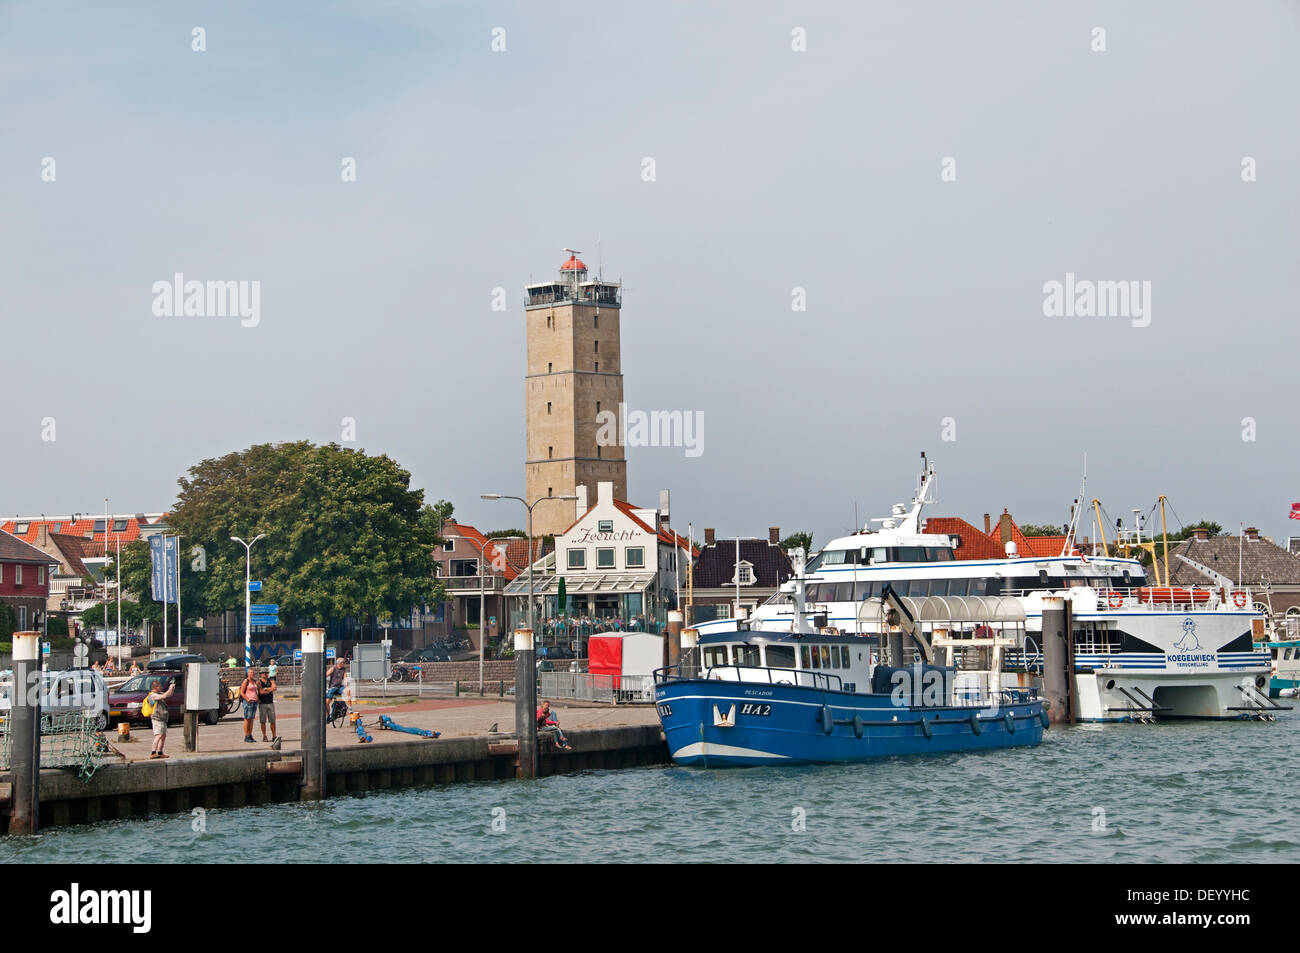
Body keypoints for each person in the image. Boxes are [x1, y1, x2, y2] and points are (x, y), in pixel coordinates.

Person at [146, 677, 177, 759]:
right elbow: (164, 696)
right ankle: (153, 752)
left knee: (163, 735)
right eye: (160, 686)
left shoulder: (158, 693)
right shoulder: (153, 696)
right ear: (156, 687)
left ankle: (160, 752)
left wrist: (172, 689)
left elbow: (168, 694)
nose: (161, 688)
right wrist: (169, 688)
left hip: (162, 718)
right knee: (158, 735)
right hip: (157, 718)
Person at [257, 666, 278, 743]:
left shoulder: (271, 680)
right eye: (263, 673)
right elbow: (261, 692)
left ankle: (274, 735)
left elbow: (275, 688)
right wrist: (269, 690)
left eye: (266, 673)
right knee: (263, 721)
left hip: (270, 702)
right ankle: (264, 736)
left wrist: (266, 689)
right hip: (262, 703)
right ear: (261, 674)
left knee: (272, 720)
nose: (265, 674)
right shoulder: (259, 682)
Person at [239, 667, 260, 743]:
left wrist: (257, 698)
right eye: (250, 672)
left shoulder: (254, 681)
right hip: (248, 702)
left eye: (253, 673)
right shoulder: (246, 681)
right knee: (247, 719)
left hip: (254, 701)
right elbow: (241, 692)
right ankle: (246, 735)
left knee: (251, 719)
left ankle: (250, 734)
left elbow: (256, 690)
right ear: (248, 673)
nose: (252, 674)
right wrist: (247, 699)